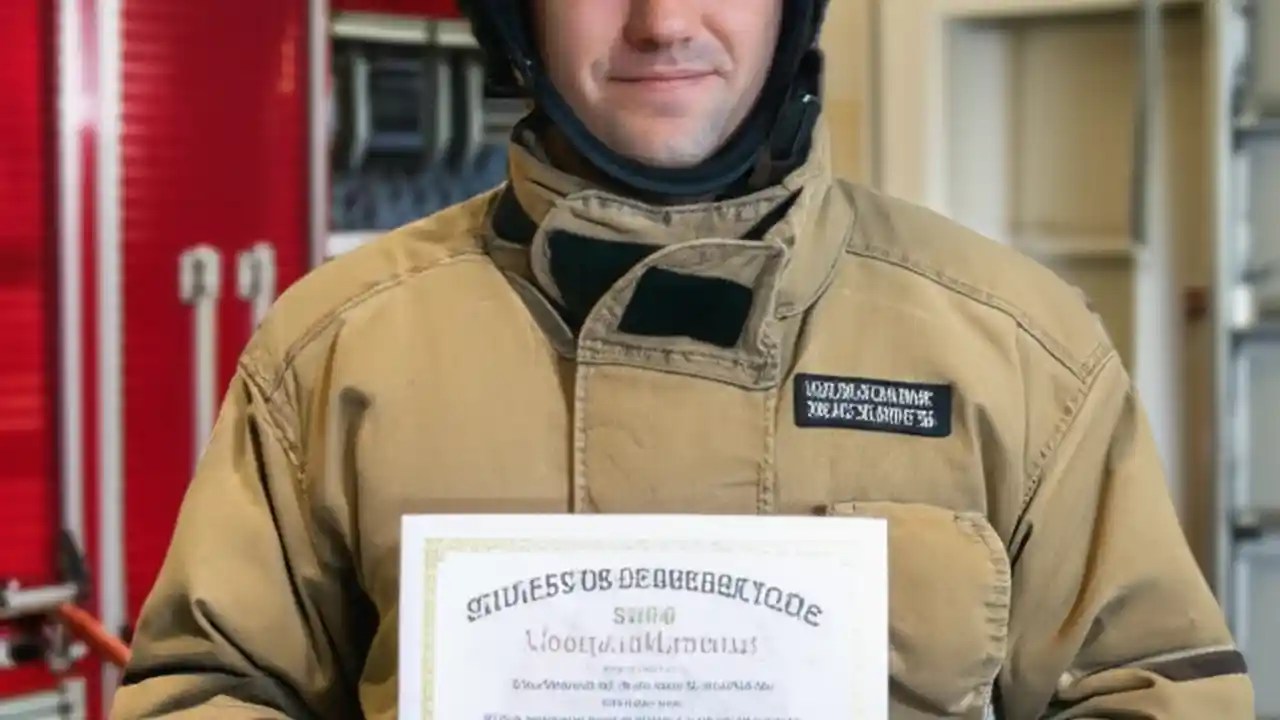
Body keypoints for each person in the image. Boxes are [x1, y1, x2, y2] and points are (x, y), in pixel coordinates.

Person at [110, 1, 1255, 718]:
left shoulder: (1018, 348)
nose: (661, 23)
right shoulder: (333, 350)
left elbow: (1152, 692)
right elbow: (208, 690)